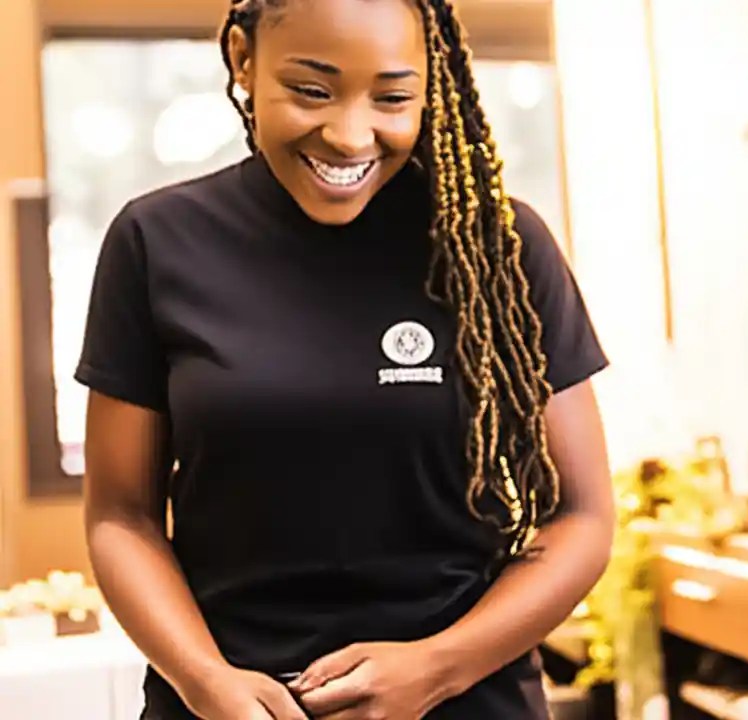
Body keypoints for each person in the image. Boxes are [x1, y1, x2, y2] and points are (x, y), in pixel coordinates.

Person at [77, 0, 614, 718]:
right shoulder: (156, 243)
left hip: (466, 701)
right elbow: (121, 516)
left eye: (392, 97)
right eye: (312, 90)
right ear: (243, 58)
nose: (350, 134)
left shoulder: (498, 250)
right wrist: (203, 679)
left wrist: (439, 668)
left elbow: (581, 518)